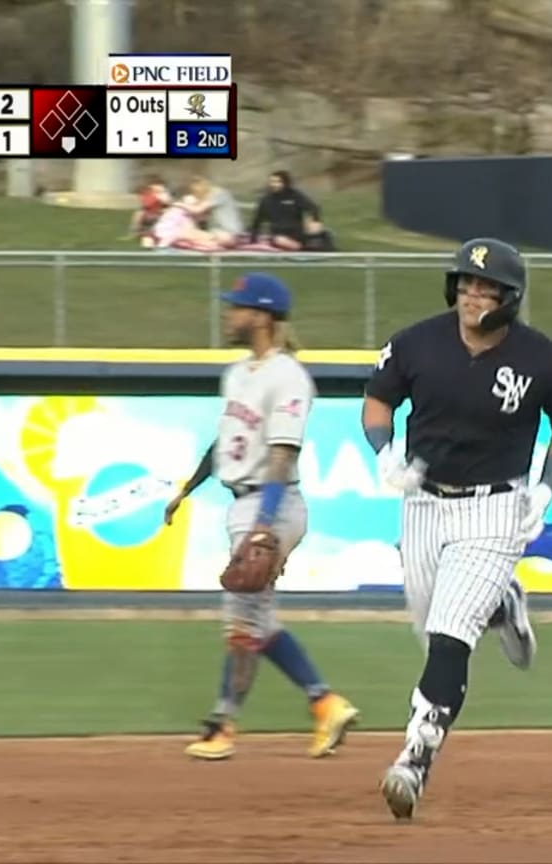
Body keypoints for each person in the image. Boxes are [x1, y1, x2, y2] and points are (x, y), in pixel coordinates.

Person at [361, 237, 552, 821]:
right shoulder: (416, 342)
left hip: (495, 507)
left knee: (448, 633)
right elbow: (377, 401)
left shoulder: (542, 358)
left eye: (486, 287)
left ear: (510, 297)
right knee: (428, 620)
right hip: (423, 501)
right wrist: (385, 452)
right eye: (467, 283)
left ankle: (415, 757)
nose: (473, 294)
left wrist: (545, 489)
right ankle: (502, 601)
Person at [163, 272, 361, 761]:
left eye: (238, 306)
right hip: (242, 500)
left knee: (241, 622)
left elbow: (280, 453)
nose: (229, 313)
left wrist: (264, 524)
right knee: (257, 621)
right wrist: (186, 490)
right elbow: (225, 442)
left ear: (263, 316)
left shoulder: (288, 376)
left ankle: (223, 725)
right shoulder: (239, 373)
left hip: (272, 503)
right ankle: (325, 702)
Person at [248, 170, 334, 251]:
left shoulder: (295, 196)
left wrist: (314, 221)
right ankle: (304, 248)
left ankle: (314, 245)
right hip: (279, 235)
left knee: (319, 230)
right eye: (272, 182)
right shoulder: (266, 200)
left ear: (285, 183)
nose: (274, 184)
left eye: (278, 182)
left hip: (297, 233)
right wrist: (253, 238)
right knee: (279, 240)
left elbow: (313, 207)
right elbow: (257, 221)